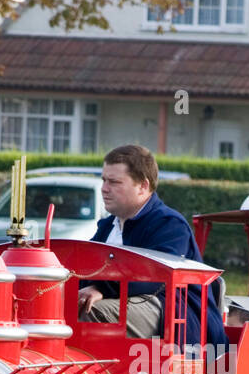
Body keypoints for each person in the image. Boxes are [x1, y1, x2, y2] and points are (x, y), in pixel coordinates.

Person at [79, 144, 227, 346]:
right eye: (104, 180)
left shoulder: (169, 225)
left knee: (91, 312)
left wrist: (100, 288)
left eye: (114, 182)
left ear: (143, 186)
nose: (104, 188)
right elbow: (84, 268)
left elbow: (152, 275)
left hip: (180, 316)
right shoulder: (107, 227)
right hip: (141, 305)